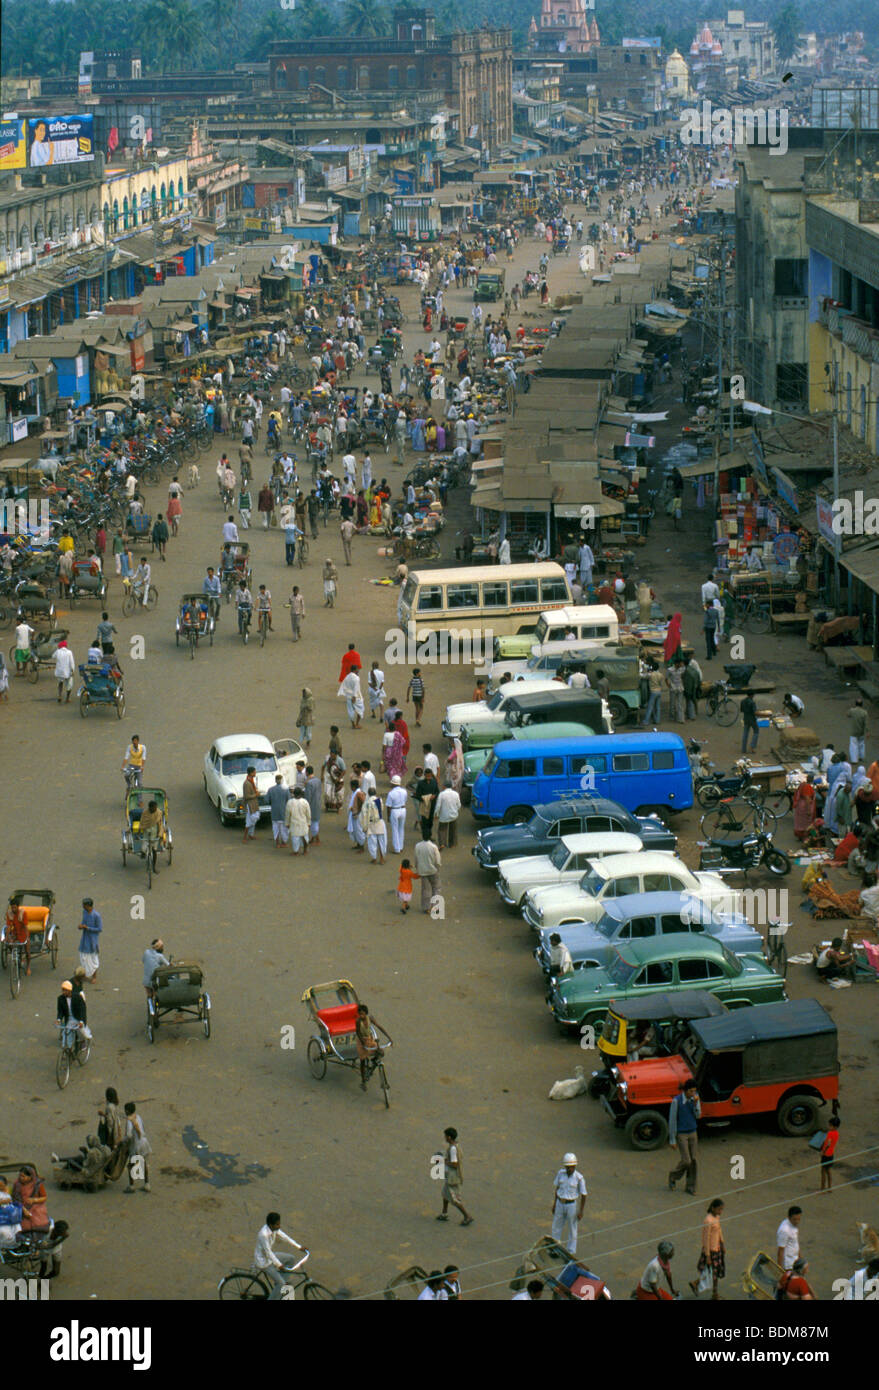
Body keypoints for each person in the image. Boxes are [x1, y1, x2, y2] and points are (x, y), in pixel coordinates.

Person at [254, 1213, 305, 1299]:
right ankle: (279, 1287)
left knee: (291, 1259)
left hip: (270, 1257)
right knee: (281, 1284)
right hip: (264, 1262)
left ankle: (279, 1284)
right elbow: (268, 1252)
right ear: (271, 1225)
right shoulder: (263, 1235)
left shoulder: (273, 1229)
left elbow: (285, 1237)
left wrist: (299, 1247)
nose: (279, 1226)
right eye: (277, 1224)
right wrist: (279, 1265)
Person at [668, 1081, 700, 1195]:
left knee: (694, 1160)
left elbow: (698, 1115)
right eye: (691, 1091)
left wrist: (696, 1105)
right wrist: (672, 1139)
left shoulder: (695, 1100)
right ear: (685, 1091)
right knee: (686, 1160)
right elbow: (672, 1121)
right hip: (682, 1133)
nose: (693, 1093)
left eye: (694, 1091)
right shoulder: (676, 1101)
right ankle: (673, 1176)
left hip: (693, 1132)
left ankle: (691, 1186)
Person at [551, 1153, 587, 1256]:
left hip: (571, 1205)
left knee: (572, 1228)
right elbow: (557, 1188)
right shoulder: (560, 1174)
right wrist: (554, 1204)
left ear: (575, 1166)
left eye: (572, 1167)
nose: (570, 1169)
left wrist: (581, 1211)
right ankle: (554, 1248)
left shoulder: (579, 1178)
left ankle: (571, 1251)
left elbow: (584, 1195)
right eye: (568, 1167)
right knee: (556, 1226)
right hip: (560, 1203)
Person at [437, 1127, 473, 1226]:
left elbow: (454, 1164)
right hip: (452, 1176)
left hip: (453, 1178)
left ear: (449, 1137)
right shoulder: (456, 1145)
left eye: (445, 1136)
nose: (444, 1138)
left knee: (454, 1199)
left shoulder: (453, 1149)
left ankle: (467, 1216)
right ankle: (444, 1213)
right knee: (445, 1194)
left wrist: (443, 1161)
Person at [691, 1198, 725, 1299]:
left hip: (717, 1249)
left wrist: (722, 1243)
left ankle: (696, 1283)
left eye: (722, 1209)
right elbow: (706, 1239)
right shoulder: (708, 1220)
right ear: (713, 1208)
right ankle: (715, 1294)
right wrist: (708, 1256)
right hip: (710, 1251)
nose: (720, 1212)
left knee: (712, 1272)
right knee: (712, 1274)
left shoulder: (717, 1217)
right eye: (719, 1209)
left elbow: (719, 1231)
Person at [354, 1001, 389, 1091]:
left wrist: (389, 1037)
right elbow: (358, 1032)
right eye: (359, 1014)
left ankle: (373, 1062)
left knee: (381, 1052)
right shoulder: (358, 1021)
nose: (361, 1016)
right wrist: (362, 1042)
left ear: (366, 1013)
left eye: (362, 1014)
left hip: (370, 1039)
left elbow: (379, 1026)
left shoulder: (370, 1018)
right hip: (362, 1041)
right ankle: (363, 1081)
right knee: (362, 1060)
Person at [124, 1101, 151, 1193]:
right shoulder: (138, 1117)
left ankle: (131, 1186)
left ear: (127, 1111)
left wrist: (123, 1142)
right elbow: (143, 1128)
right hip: (144, 1142)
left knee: (130, 1166)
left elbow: (128, 1135)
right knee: (144, 1163)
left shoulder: (129, 1121)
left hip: (136, 1146)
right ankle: (147, 1184)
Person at [12, 1165, 48, 1234]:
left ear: (30, 1177)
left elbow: (44, 1197)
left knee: (38, 1222)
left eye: (23, 1176)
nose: (20, 1178)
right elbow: (15, 1198)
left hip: (36, 1207)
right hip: (20, 1206)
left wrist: (34, 1200)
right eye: (20, 1175)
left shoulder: (37, 1185)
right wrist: (23, 1209)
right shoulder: (17, 1184)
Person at [414, 834, 442, 913]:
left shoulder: (418, 846)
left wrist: (417, 868)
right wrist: (437, 868)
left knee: (425, 890)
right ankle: (436, 907)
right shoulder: (433, 847)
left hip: (423, 871)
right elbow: (438, 860)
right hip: (433, 871)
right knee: (436, 888)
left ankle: (427, 908)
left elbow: (416, 858)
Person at [78, 898, 102, 983]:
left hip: (92, 940)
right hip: (85, 938)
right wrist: (81, 926)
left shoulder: (96, 915)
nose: (83, 907)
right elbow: (83, 922)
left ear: (88, 906)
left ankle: (94, 976)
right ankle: (84, 974)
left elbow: (99, 929)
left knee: (93, 959)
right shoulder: (84, 912)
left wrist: (87, 928)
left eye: (84, 905)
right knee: (83, 958)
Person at [138, 799, 164, 874]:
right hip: (147, 831)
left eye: (156, 808)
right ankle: (143, 852)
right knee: (144, 846)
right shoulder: (145, 813)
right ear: (149, 808)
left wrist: (160, 833)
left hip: (155, 831)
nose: (155, 809)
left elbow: (160, 823)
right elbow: (142, 822)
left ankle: (154, 867)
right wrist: (140, 830)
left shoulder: (159, 812)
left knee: (154, 850)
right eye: (153, 808)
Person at [776, 1206, 802, 1272]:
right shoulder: (784, 1230)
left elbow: (795, 1242)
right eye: (795, 1219)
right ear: (789, 1217)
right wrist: (779, 1269)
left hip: (795, 1261)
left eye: (798, 1219)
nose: (797, 1222)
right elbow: (780, 1250)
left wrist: (800, 1257)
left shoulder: (793, 1225)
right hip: (789, 1265)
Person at [267, 774, 291, 848]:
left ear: (275, 780)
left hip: (274, 813)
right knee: (284, 829)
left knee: (275, 829)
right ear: (282, 780)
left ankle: (277, 843)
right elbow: (289, 801)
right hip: (283, 813)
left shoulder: (270, 790)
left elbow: (267, 800)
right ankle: (284, 843)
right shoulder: (286, 790)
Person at [435, 783, 461, 849]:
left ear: (444, 786)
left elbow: (438, 806)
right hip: (454, 815)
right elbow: (459, 805)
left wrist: (436, 814)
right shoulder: (456, 794)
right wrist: (455, 810)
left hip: (444, 816)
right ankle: (452, 844)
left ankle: (442, 844)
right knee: (453, 830)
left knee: (442, 830)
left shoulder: (441, 794)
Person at [285, 787, 311, 854]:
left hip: (294, 823)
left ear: (293, 794)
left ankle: (296, 852)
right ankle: (305, 850)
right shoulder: (305, 802)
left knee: (295, 838)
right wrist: (309, 822)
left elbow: (287, 814)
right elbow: (308, 814)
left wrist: (287, 823)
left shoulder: (290, 802)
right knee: (305, 836)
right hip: (303, 822)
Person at [820, 1116, 840, 1191]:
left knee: (823, 1171)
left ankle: (822, 1188)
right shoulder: (836, 1133)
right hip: (831, 1154)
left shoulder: (830, 1133)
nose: (829, 1127)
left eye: (830, 1125)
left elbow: (827, 1144)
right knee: (829, 1171)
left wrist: (823, 1152)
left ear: (834, 1126)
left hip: (826, 1154)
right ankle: (829, 1187)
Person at [242, 765, 261, 842]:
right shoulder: (247, 783)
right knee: (249, 821)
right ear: (251, 773)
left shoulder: (251, 781)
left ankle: (251, 835)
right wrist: (256, 795)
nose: (255, 773)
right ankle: (245, 837)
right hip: (250, 804)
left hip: (254, 803)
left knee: (253, 820)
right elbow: (246, 796)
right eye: (254, 772)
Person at [54, 639, 75, 704]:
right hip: (67, 672)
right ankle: (67, 698)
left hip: (59, 672)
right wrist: (73, 670)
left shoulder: (57, 651)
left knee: (60, 682)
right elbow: (72, 663)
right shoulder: (69, 652)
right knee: (69, 685)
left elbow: (53, 656)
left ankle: (59, 695)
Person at [848, 698, 868, 766]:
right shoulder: (864, 712)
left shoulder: (852, 710)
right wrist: (867, 732)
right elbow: (866, 723)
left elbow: (847, 714)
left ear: (855, 704)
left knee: (853, 745)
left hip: (853, 731)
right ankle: (861, 756)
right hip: (861, 731)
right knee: (861, 744)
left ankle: (854, 759)